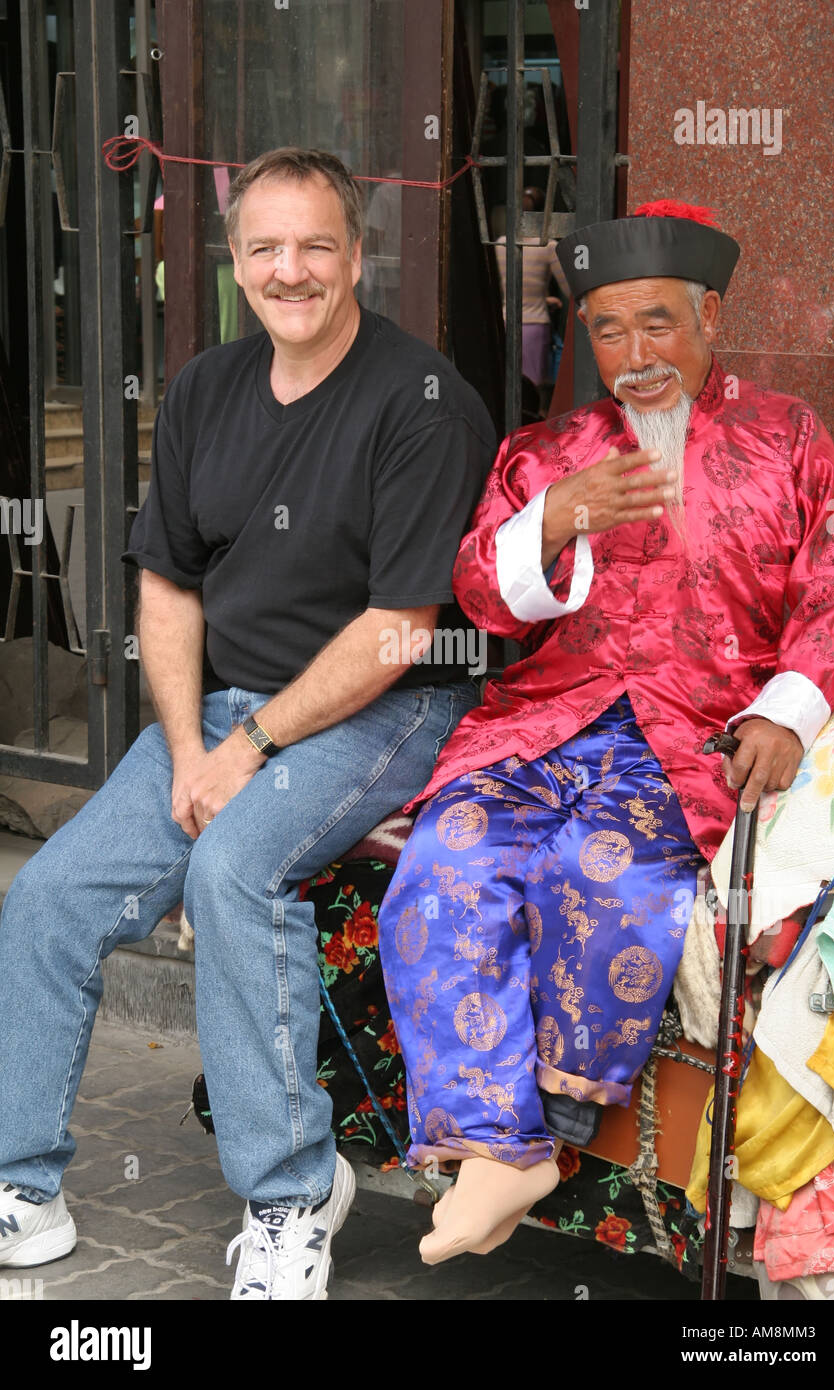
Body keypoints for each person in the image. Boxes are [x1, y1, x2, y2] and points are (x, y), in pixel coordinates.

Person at [0, 147, 496, 1299]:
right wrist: (187, 749)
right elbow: (167, 584)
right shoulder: (206, 388)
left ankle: (288, 1196)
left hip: (382, 706)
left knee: (231, 867)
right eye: (264, 248)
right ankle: (22, 1184)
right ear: (232, 265)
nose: (290, 270)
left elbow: (398, 627)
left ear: (356, 254)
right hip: (216, 715)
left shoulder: (424, 402)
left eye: (315, 244)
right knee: (47, 897)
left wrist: (250, 748)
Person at [377, 199, 834, 1265]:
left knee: (607, 880)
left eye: (656, 324)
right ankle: (495, 1149)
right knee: (441, 866)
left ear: (708, 317)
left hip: (689, 738)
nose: (633, 354)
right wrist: (552, 518)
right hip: (541, 726)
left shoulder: (787, 437)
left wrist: (785, 715)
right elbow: (477, 595)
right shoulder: (545, 448)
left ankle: (539, 1132)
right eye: (606, 330)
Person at [494, 187, 570, 392]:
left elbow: (507, 289)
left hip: (504, 322)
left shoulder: (501, 244)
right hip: (535, 325)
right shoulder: (547, 246)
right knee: (534, 390)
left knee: (506, 387)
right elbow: (570, 288)